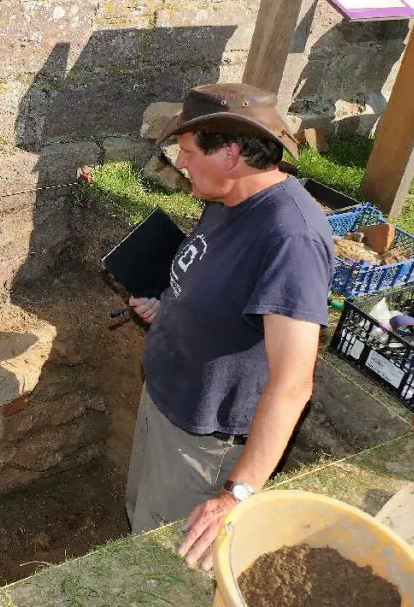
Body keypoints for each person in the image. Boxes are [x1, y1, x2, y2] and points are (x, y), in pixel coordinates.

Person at [124, 83, 334, 569]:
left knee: (164, 559)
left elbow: (292, 384)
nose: (180, 163)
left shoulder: (291, 238)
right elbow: (215, 286)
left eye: (189, 152)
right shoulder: (224, 198)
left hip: (203, 437)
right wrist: (169, 307)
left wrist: (235, 495)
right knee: (140, 520)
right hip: (165, 401)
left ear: (232, 154)